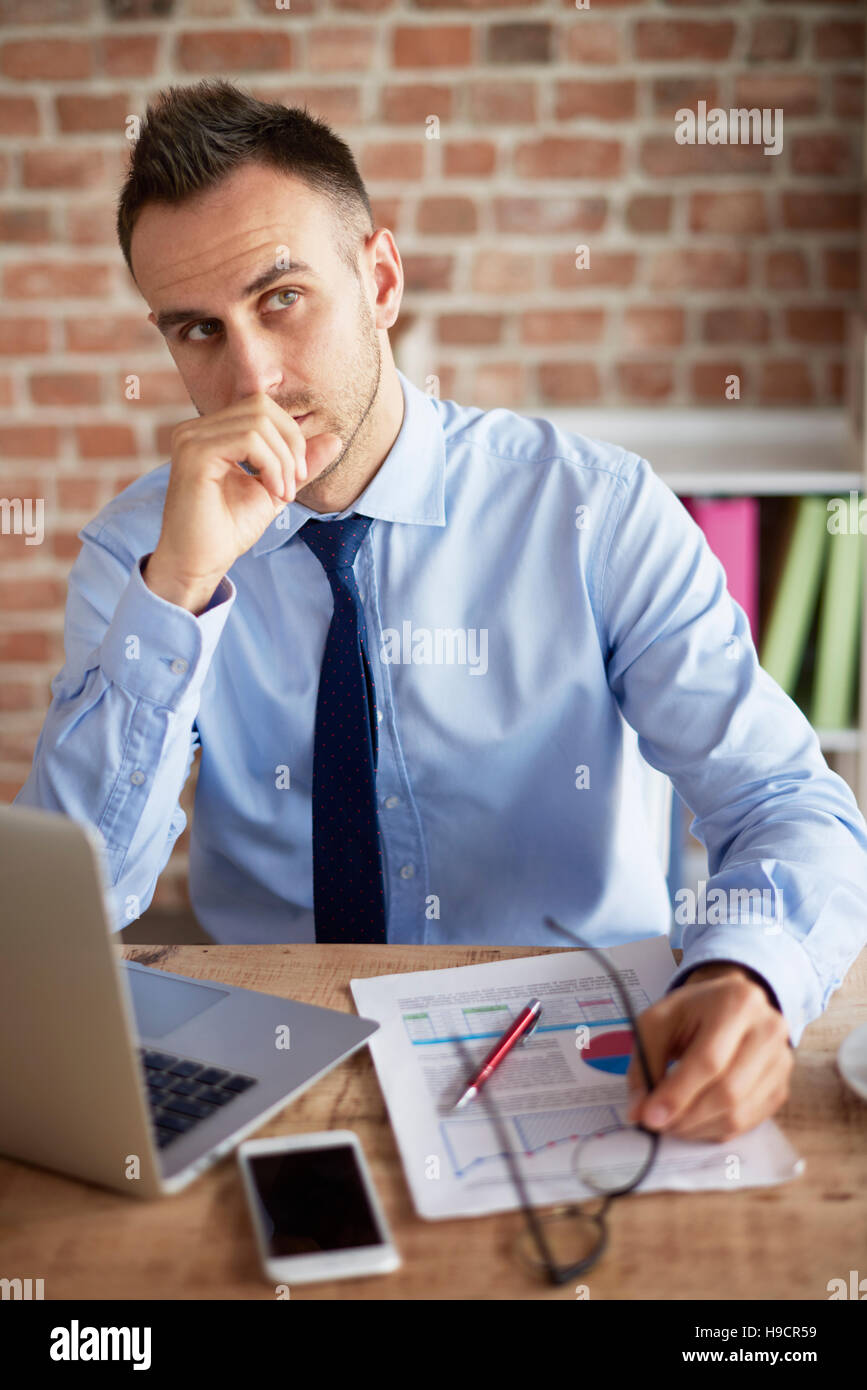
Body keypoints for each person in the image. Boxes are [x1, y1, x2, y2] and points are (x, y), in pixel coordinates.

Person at [14, 80, 867, 1145]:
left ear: (379, 278)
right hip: (279, 1055)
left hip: (586, 1042)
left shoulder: (595, 509)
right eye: (197, 330)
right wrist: (177, 595)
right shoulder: (141, 553)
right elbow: (71, 909)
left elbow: (789, 801)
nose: (253, 379)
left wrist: (755, 971)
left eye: (281, 299)